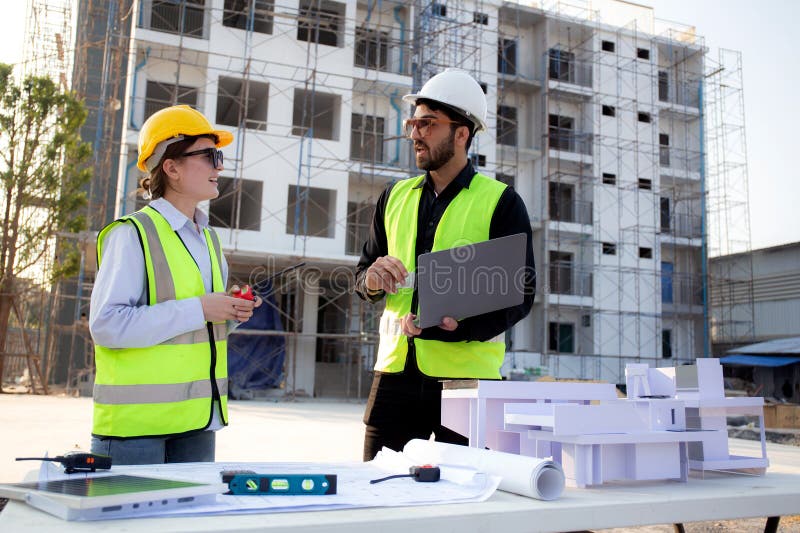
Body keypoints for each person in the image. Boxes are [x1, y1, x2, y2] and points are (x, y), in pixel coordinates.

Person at [356, 69, 536, 460]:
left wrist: (462, 328)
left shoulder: (501, 202)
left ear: (461, 133)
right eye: (412, 123)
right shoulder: (394, 196)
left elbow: (520, 295)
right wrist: (371, 279)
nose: (414, 134)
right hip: (395, 374)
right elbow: (363, 274)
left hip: (468, 382)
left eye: (427, 124)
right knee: (380, 498)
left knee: (469, 506)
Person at [89, 105, 259, 464]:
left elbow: (196, 328)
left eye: (220, 156)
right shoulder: (131, 234)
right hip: (135, 431)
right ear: (172, 167)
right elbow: (107, 326)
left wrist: (228, 312)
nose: (220, 167)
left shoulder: (208, 241)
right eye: (210, 156)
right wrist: (201, 307)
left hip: (197, 423)